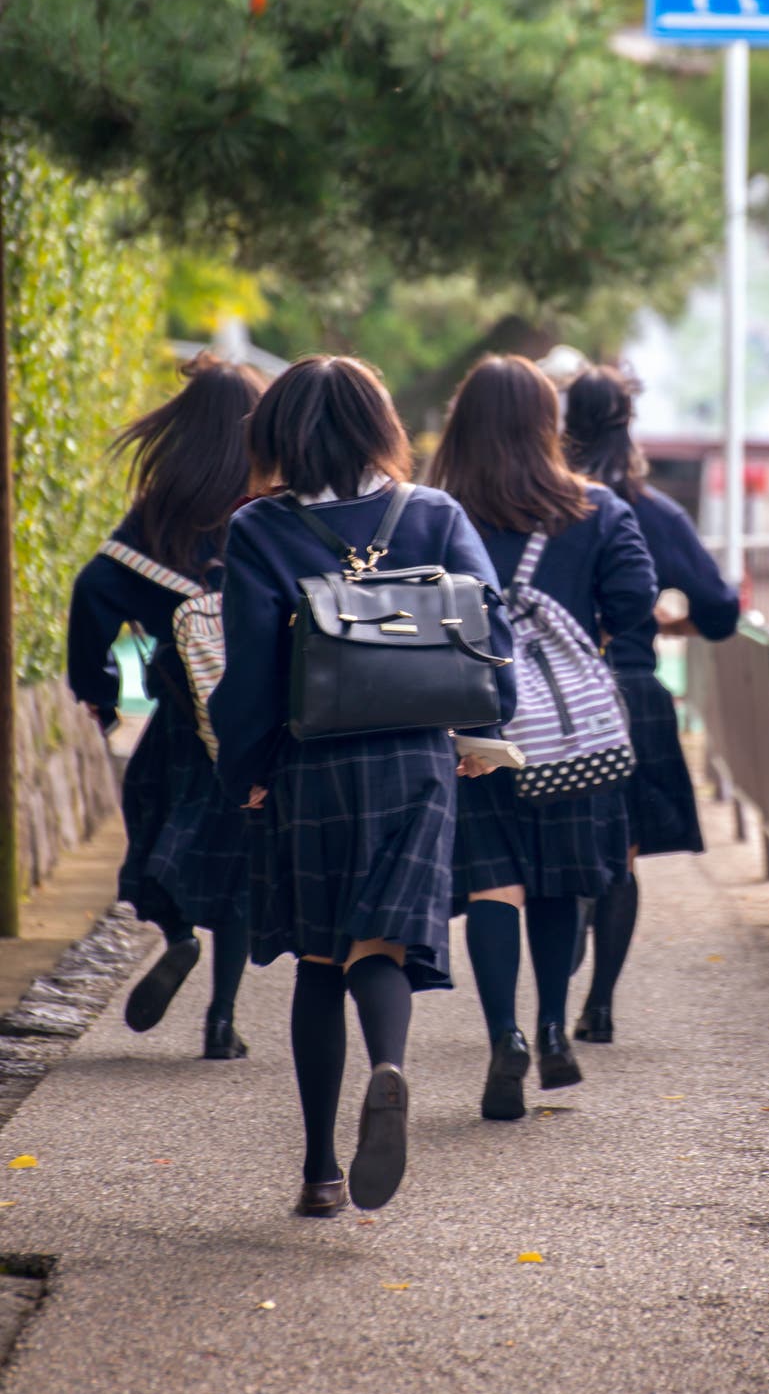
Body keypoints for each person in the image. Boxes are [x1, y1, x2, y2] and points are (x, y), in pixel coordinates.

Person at [209, 356, 515, 1219]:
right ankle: (391, 1066)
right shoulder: (434, 512)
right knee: (380, 944)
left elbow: (253, 677)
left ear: (279, 435)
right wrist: (484, 734)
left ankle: (319, 1171)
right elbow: (492, 635)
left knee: (318, 957)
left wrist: (248, 770)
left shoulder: (261, 529)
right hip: (420, 762)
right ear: (380, 424)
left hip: (313, 763)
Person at [429, 355, 657, 1120]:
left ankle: (506, 1036)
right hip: (569, 737)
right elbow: (634, 606)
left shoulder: (428, 512)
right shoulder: (596, 510)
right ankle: (555, 1024)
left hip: (466, 729)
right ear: (547, 426)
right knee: (559, 882)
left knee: (494, 878)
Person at [68, 355, 265, 1060]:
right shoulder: (264, 501)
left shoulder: (162, 508)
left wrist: (103, 684)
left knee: (157, 838)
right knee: (240, 869)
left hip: (177, 718)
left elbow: (98, 586)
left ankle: (179, 940)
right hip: (247, 722)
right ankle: (222, 1019)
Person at [563, 366, 740, 1042]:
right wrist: (668, 625)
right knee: (622, 854)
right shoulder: (653, 511)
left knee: (557, 839)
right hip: (630, 690)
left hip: (545, 699)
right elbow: (722, 611)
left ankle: (564, 938)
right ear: (627, 425)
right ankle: (600, 1006)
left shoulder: (539, 503)